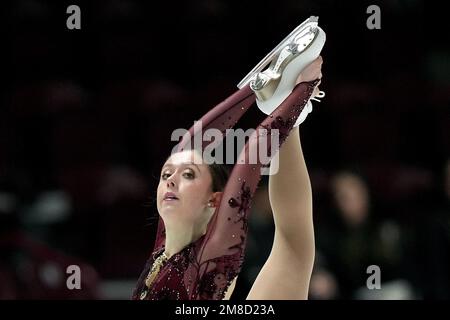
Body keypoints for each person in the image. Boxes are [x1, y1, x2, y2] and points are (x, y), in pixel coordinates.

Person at [132, 19, 325, 300]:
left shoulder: (212, 255)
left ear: (213, 201)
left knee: (293, 247)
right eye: (166, 176)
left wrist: (285, 100)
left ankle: (292, 114)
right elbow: (191, 145)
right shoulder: (166, 248)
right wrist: (264, 92)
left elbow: (248, 165)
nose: (171, 180)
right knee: (295, 248)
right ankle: (291, 110)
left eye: (187, 176)